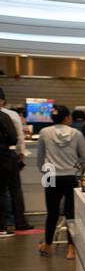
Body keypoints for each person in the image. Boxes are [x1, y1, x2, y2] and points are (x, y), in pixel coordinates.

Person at [36, 104, 85, 259]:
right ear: (67, 117)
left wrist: (44, 170)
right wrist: (78, 170)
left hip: (50, 175)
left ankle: (47, 245)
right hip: (71, 176)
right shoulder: (76, 133)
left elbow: (40, 158)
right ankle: (71, 250)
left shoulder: (44, 132)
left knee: (52, 212)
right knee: (71, 213)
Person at [0, 86, 31, 235]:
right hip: (9, 156)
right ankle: (20, 222)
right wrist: (21, 154)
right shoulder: (11, 115)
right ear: (3, 100)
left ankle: (4, 224)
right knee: (15, 189)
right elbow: (18, 137)